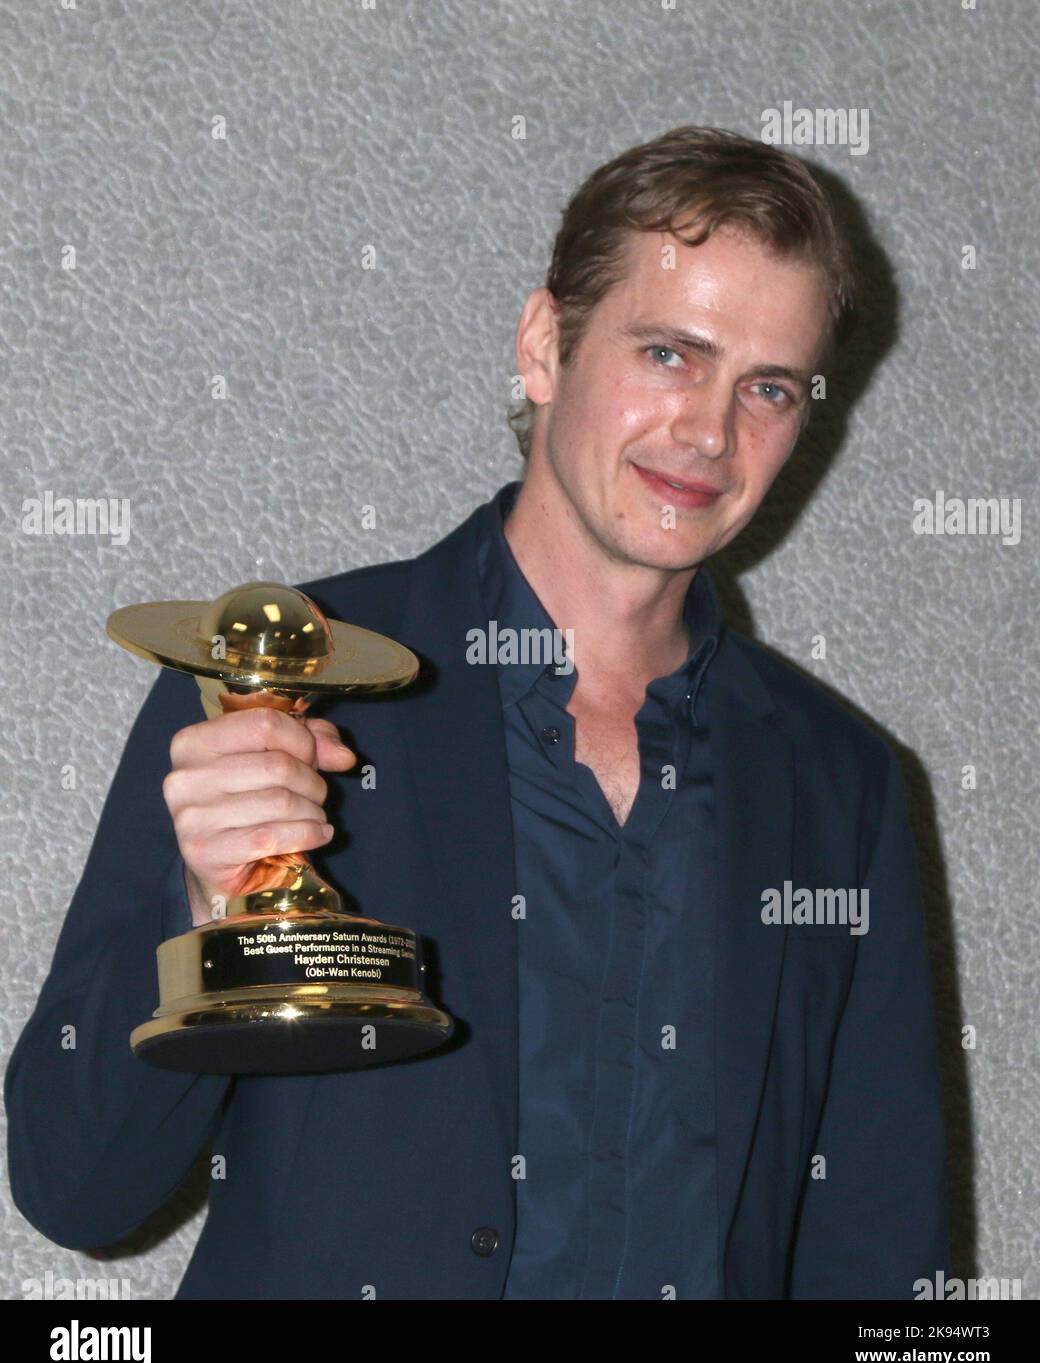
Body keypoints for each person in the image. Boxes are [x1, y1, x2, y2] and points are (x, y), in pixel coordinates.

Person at [5, 125, 948, 1299]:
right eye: (666, 353)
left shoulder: (838, 780)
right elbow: (72, 1181)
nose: (708, 432)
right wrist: (204, 910)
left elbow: (880, 1242)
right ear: (543, 346)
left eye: (765, 386)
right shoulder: (285, 677)